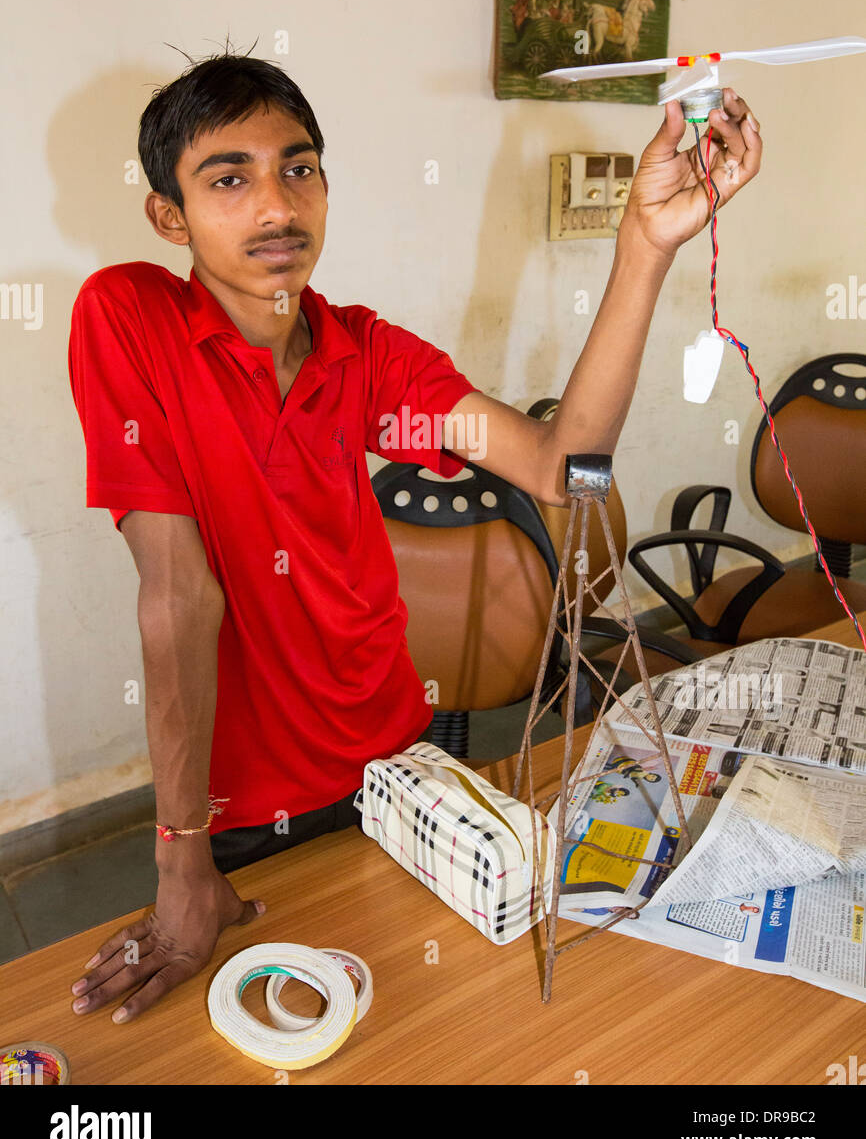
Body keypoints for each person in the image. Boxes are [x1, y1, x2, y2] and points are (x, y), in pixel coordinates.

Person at [66, 51, 762, 1025]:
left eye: (298, 168)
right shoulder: (128, 316)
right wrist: (181, 858)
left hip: (395, 761)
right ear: (168, 216)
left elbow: (562, 467)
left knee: (440, 1019)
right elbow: (180, 595)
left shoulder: (366, 355)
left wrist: (645, 243)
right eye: (228, 178)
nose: (277, 205)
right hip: (245, 806)